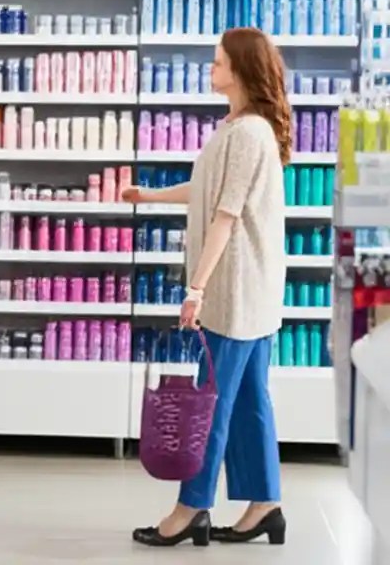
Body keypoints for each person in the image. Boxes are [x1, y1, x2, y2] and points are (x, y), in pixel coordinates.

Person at [124, 27, 289, 548]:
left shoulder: (248, 133)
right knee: (250, 401)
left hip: (234, 291)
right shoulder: (237, 127)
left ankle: (190, 509)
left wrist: (195, 288)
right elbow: (207, 189)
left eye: (218, 62)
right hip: (252, 291)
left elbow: (226, 213)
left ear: (240, 70)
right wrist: (150, 196)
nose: (210, 69)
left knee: (210, 403)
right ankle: (265, 504)